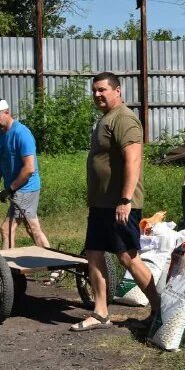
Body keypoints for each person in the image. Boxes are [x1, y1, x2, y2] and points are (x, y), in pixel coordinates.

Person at [71, 72, 159, 331]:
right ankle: (100, 313)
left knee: (128, 257)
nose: (97, 94)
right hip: (101, 204)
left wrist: (125, 198)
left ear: (117, 91)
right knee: (94, 253)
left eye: (103, 90)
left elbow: (133, 159)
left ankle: (160, 308)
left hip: (119, 204)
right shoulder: (105, 119)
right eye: (95, 91)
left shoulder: (124, 118)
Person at [0, 97, 50, 250]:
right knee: (32, 228)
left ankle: (6, 270)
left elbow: (29, 168)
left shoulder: (22, 133)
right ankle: (57, 266)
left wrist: (11, 188)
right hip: (15, 188)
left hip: (26, 188)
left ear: (7, 112)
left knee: (6, 229)